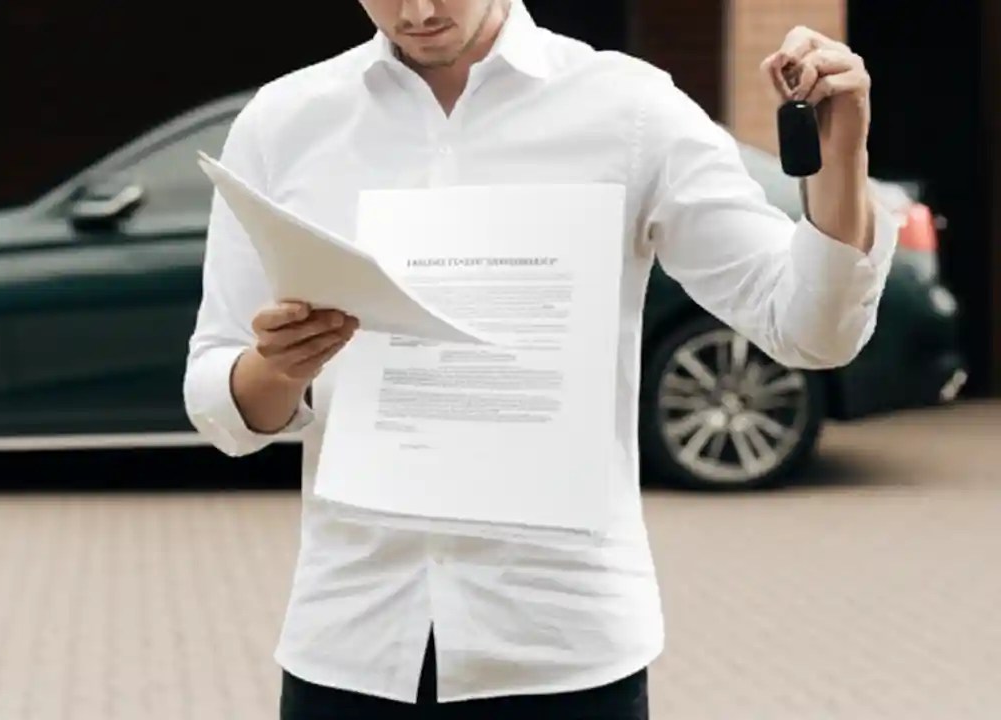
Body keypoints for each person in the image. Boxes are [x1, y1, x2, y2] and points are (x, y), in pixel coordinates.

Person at [183, 1, 897, 717]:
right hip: (350, 645)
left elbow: (808, 330)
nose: (419, 11)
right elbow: (219, 401)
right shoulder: (284, 123)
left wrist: (841, 164)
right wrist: (278, 369)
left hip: (562, 650)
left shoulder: (630, 110)